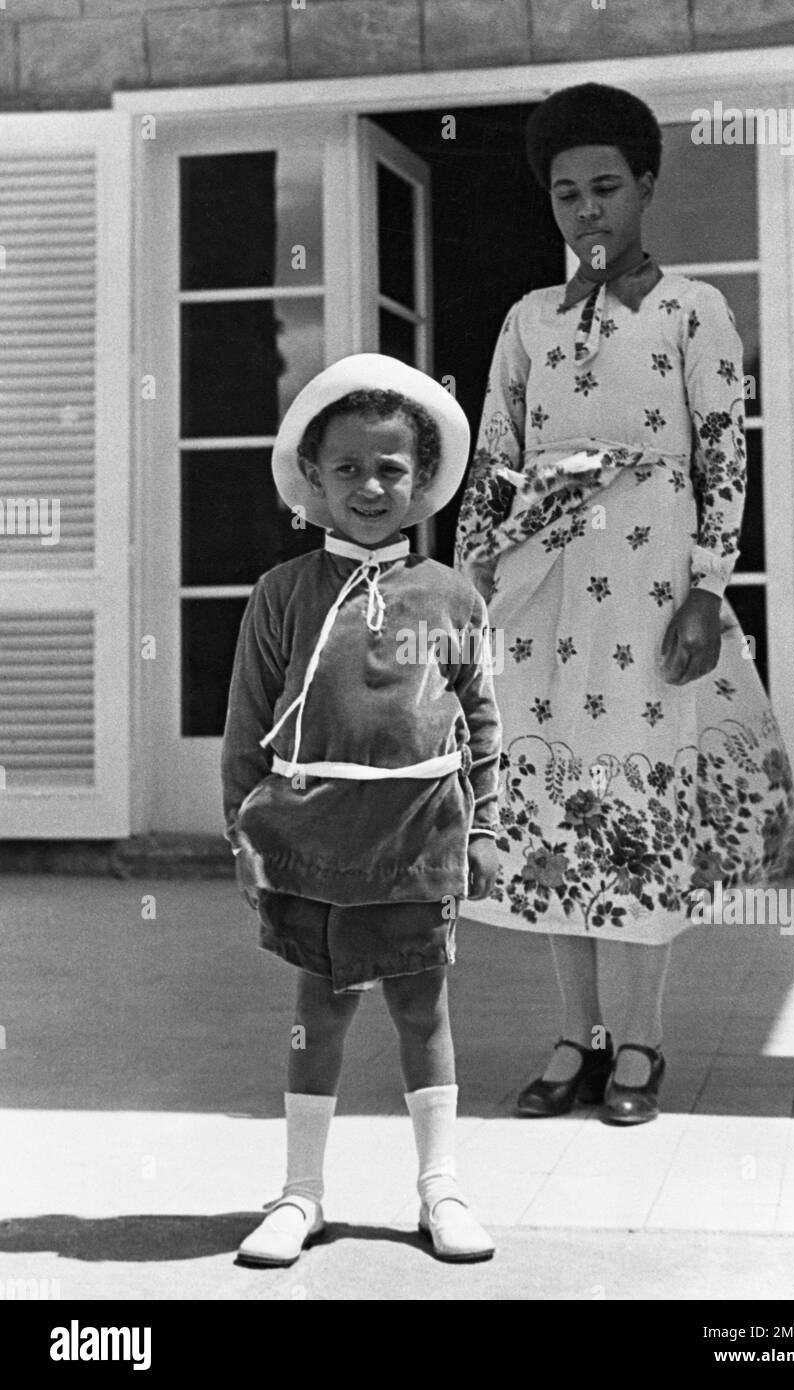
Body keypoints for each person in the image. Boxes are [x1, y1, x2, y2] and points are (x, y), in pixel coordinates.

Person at [454, 83, 794, 1125]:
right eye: (565, 193)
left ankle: (639, 1042)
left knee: (637, 804)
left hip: (646, 595)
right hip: (542, 602)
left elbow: (722, 455)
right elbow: (491, 464)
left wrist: (706, 587)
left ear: (646, 185)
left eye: (605, 186)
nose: (586, 210)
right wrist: (468, 589)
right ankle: (575, 1037)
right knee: (551, 809)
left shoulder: (692, 310)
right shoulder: (527, 320)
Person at [222, 354, 501, 1265]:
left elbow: (484, 722)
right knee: (322, 1007)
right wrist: (243, 833)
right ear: (313, 481)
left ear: (423, 480)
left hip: (417, 834)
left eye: (390, 467)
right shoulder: (283, 593)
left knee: (422, 1008)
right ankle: (300, 1194)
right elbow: (246, 725)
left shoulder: (452, 596)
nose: (370, 486)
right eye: (347, 468)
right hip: (310, 836)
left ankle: (440, 1189)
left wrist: (489, 825)